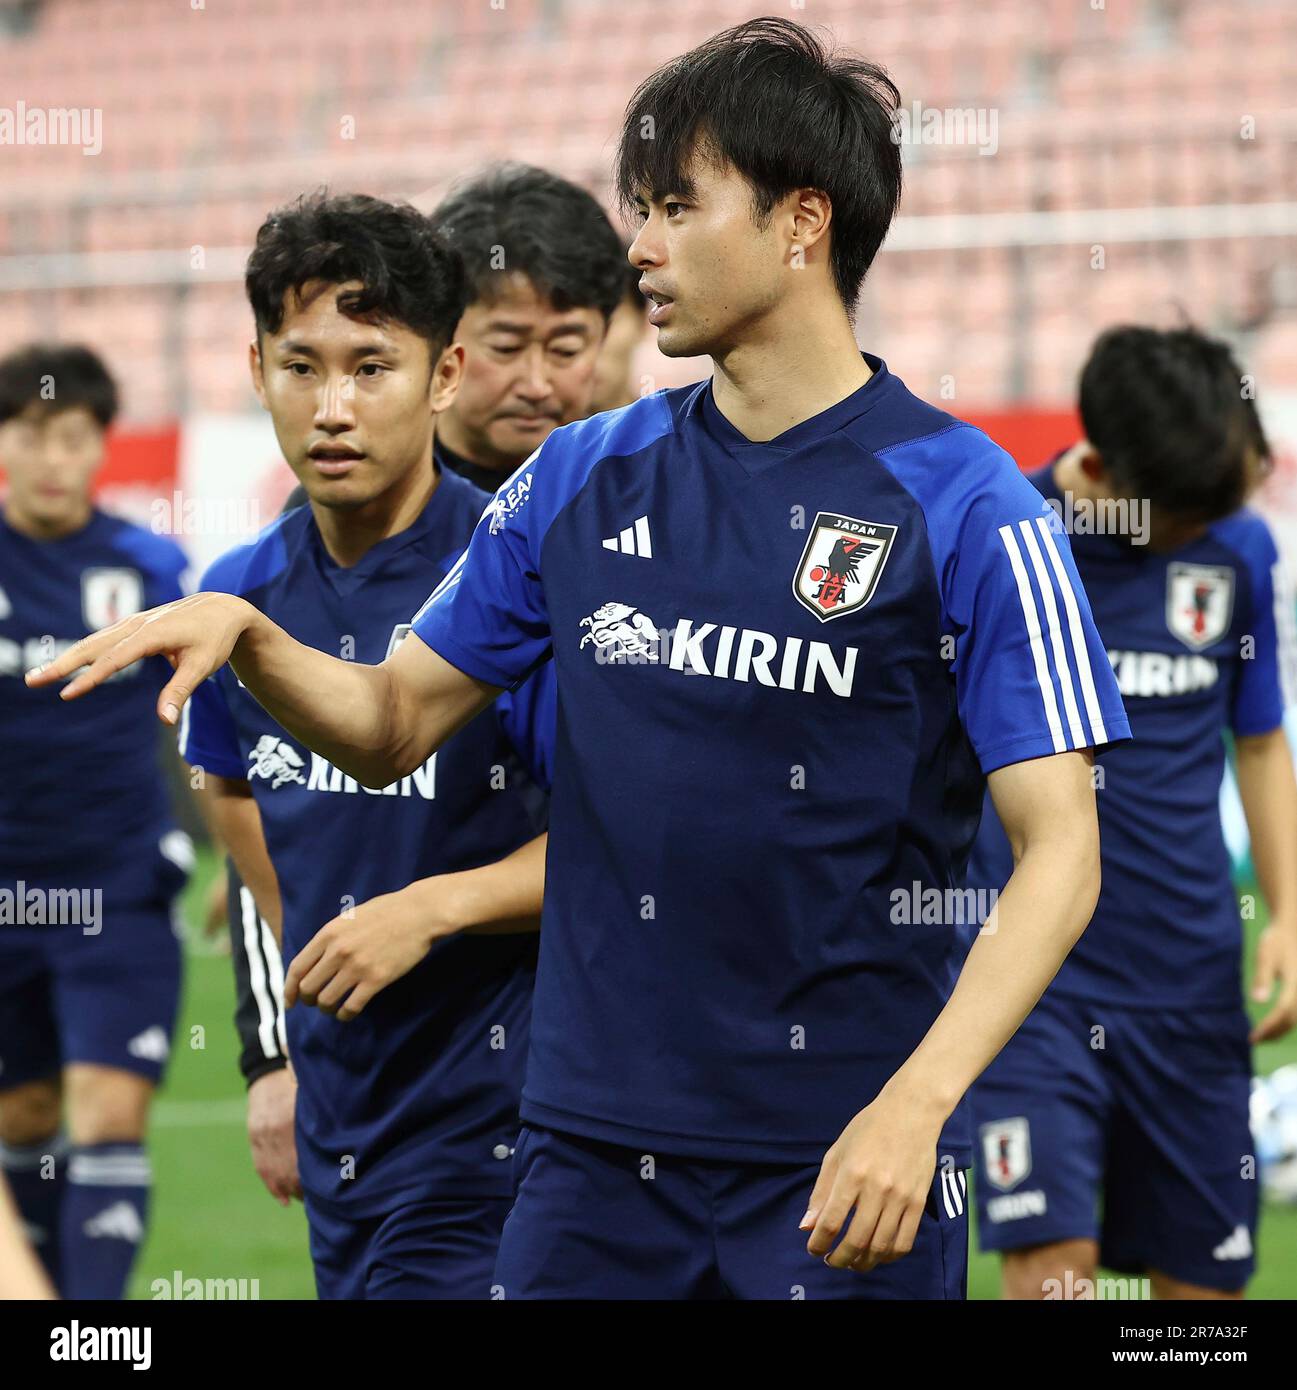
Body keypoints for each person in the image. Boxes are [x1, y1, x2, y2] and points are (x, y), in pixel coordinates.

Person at [30, 18, 1130, 1300]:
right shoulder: (581, 475)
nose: (641, 248)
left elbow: (1060, 854)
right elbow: (390, 719)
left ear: (800, 221)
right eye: (637, 208)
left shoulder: (966, 502)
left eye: (674, 206)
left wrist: (918, 1103)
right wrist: (256, 642)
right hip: (585, 1163)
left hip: (839, 1160)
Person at [229, 165, 625, 1214]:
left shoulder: (606, 547)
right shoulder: (273, 576)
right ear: (454, 357)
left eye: (568, 345)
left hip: (539, 1093)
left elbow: (637, 827)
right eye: (507, 345)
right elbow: (267, 809)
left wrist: (437, 909)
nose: (535, 381)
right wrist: (275, 1038)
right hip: (364, 1100)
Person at [178, 192, 553, 1298]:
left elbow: (629, 847)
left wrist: (429, 910)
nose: (332, 406)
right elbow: (235, 796)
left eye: (371, 367)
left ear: (443, 377)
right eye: (302, 367)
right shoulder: (234, 597)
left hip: (505, 1115)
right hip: (346, 1119)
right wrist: (278, 1052)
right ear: (256, 372)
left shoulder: (514, 572)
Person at [964, 325, 1297, 1300]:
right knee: (1052, 1269)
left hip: (1191, 982)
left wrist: (1284, 912)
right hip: (1033, 984)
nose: (1207, 528)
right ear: (1104, 469)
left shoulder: (1234, 548)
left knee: (1200, 1295)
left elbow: (1261, 740)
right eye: (1188, 515)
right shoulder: (1006, 536)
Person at [0, 343, 191, 1298]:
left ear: (100, 448)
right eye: (32, 435)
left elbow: (221, 715)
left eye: (72, 437)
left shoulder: (151, 566)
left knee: (108, 1111)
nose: (51, 459)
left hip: (116, 888)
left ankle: (92, 1331)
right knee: (26, 1116)